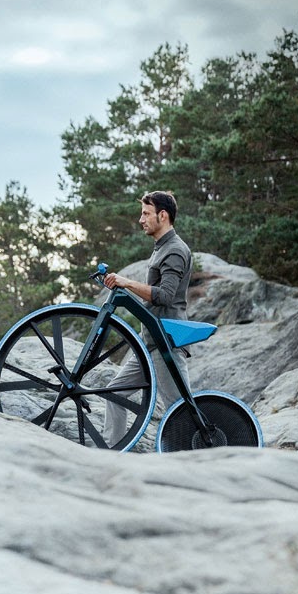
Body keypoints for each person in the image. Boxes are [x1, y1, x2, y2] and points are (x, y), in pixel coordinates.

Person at [102, 190, 192, 447]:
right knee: (113, 394)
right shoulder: (162, 248)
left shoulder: (174, 250)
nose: (141, 219)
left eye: (145, 213)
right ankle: (112, 456)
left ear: (162, 216)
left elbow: (164, 296)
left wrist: (127, 282)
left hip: (166, 343)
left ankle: (197, 463)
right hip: (150, 343)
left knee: (179, 410)